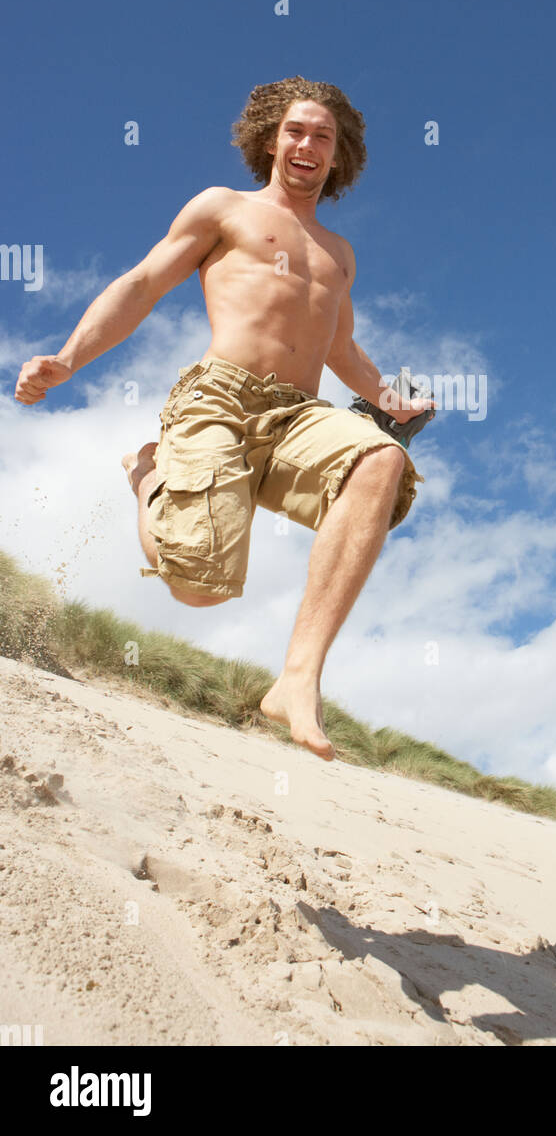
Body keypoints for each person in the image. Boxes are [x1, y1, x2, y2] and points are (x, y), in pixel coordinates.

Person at [14, 76, 435, 762]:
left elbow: (340, 350)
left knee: (380, 460)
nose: (307, 144)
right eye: (296, 131)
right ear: (272, 140)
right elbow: (144, 283)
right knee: (199, 588)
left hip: (299, 414)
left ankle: (298, 680)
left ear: (338, 157)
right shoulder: (224, 208)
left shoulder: (339, 254)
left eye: (322, 137)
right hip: (219, 398)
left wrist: (391, 403)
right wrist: (67, 359)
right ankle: (149, 475)